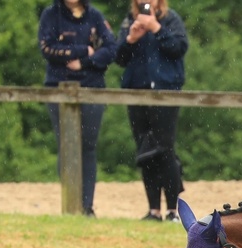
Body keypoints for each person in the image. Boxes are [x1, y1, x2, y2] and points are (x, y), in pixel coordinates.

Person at [39, 0, 118, 217]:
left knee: (88, 147)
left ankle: (86, 206)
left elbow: (111, 49)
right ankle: (70, 203)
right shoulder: (51, 15)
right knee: (67, 146)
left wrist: (84, 62)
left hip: (92, 87)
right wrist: (83, 49)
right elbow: (47, 48)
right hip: (60, 87)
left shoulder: (95, 16)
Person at [115, 0, 189, 222]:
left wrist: (157, 28)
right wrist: (131, 39)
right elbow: (119, 57)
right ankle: (154, 209)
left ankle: (173, 210)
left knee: (165, 150)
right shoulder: (129, 21)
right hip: (137, 91)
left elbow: (179, 48)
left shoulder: (171, 19)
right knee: (145, 150)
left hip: (165, 92)